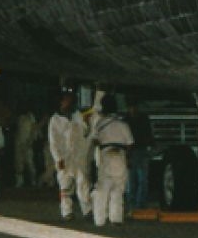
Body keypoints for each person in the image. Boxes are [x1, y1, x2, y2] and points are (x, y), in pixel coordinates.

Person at [89, 99, 135, 227]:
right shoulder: (123, 124)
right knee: (118, 188)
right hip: (120, 154)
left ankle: (99, 220)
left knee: (102, 188)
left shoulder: (100, 123)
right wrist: (128, 158)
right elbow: (130, 143)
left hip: (105, 154)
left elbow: (94, 140)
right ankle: (116, 218)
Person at [47, 89, 90, 220]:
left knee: (83, 183)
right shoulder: (55, 120)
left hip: (78, 156)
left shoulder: (77, 115)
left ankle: (87, 210)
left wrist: (86, 122)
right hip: (64, 157)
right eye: (66, 99)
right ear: (61, 102)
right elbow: (53, 142)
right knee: (65, 185)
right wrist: (58, 158)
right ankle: (67, 211)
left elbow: (85, 131)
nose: (69, 102)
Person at [11, 106, 42, 189]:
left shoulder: (31, 116)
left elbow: (34, 128)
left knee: (30, 163)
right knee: (18, 163)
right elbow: (16, 129)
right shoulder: (19, 117)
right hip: (18, 143)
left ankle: (33, 180)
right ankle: (19, 181)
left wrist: (31, 140)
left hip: (27, 143)